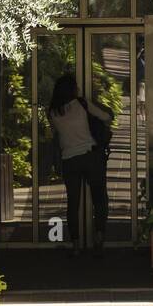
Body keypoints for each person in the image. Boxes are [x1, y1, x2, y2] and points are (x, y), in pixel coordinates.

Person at [47, 75, 112, 257]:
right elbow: (106, 116)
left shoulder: (52, 111)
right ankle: (99, 236)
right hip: (91, 156)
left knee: (72, 203)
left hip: (69, 160)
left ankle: (75, 244)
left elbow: (56, 134)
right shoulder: (81, 104)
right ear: (72, 89)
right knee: (99, 199)